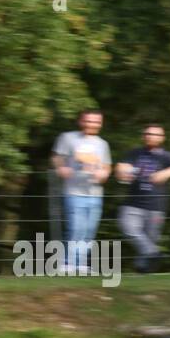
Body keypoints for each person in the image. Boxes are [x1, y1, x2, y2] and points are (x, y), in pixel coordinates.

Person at [115, 124, 170, 273]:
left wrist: (166, 173)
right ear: (144, 136)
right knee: (128, 229)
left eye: (156, 134)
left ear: (162, 138)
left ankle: (143, 271)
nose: (151, 136)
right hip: (133, 203)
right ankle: (152, 252)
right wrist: (122, 171)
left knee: (150, 239)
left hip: (156, 206)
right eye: (148, 133)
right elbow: (120, 166)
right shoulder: (135, 153)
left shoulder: (167, 156)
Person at [52, 109, 111, 274]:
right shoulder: (68, 138)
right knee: (76, 229)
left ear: (100, 123)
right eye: (89, 121)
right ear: (81, 121)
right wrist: (61, 168)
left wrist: (104, 174)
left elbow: (106, 166)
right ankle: (67, 264)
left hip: (95, 193)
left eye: (96, 122)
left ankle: (82, 265)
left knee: (89, 231)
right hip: (74, 192)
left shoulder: (102, 144)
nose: (92, 124)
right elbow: (57, 157)